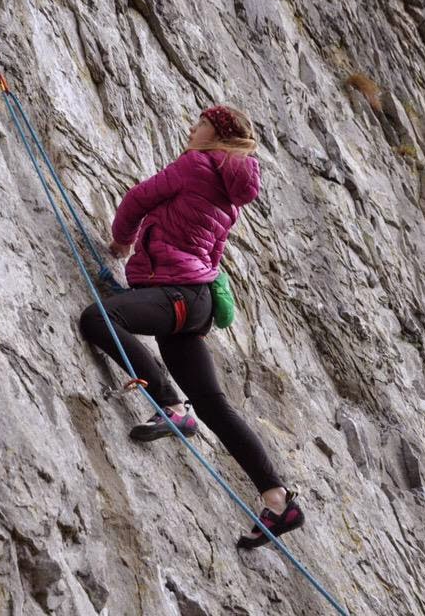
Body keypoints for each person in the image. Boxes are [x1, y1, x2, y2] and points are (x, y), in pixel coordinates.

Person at [78, 105, 305, 549]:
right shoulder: (232, 193)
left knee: (99, 317)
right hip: (193, 300)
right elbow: (215, 255)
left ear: (216, 135)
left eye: (199, 124)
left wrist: (121, 242)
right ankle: (279, 500)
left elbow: (138, 199)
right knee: (215, 405)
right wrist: (195, 314)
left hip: (176, 294)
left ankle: (169, 405)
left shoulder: (195, 164)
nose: (191, 128)